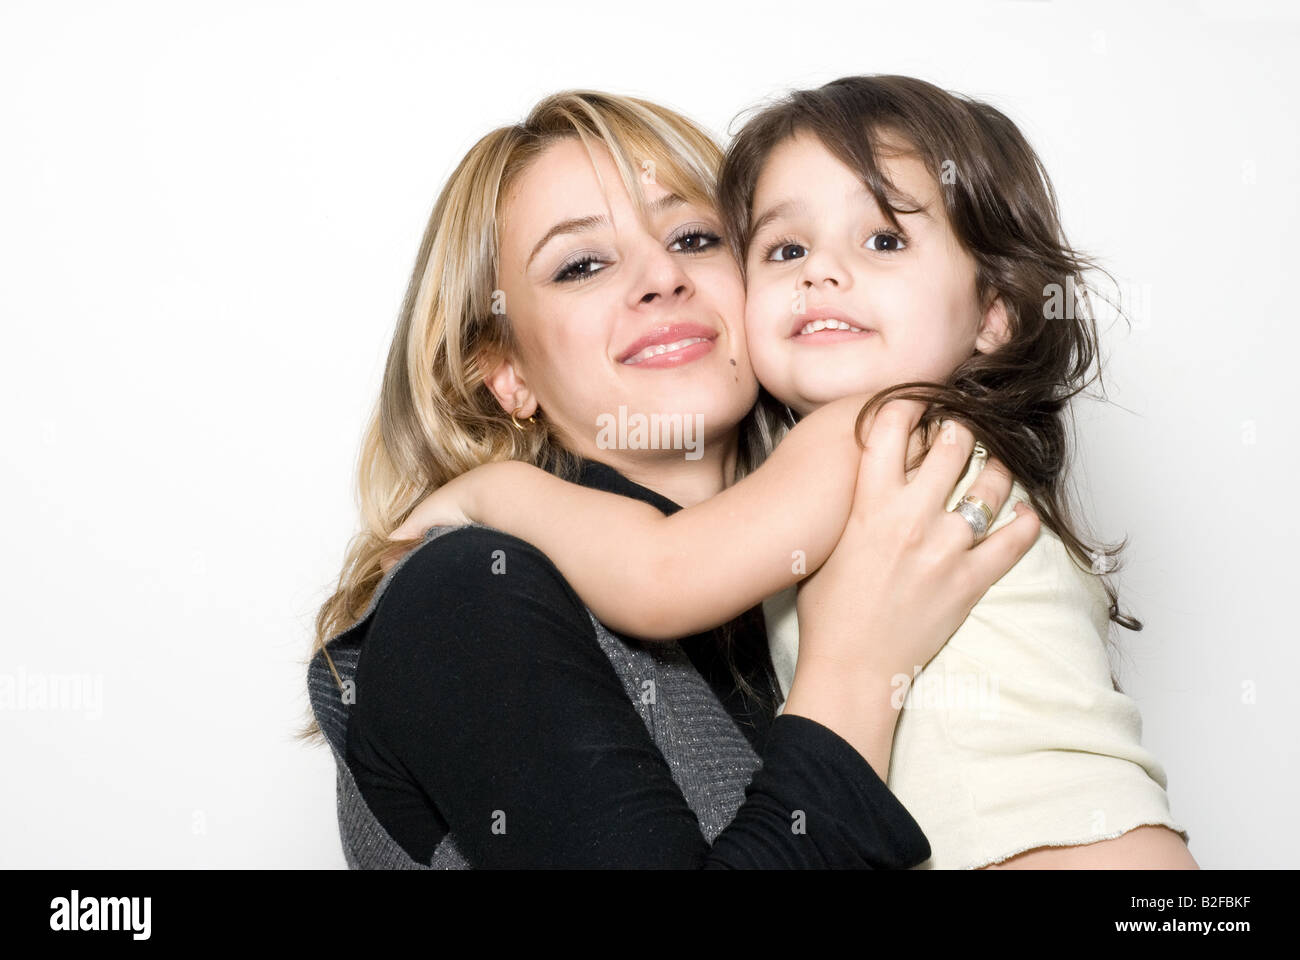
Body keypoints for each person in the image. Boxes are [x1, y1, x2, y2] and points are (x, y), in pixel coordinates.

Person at [386, 77, 1196, 868]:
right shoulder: (473, 592)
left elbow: (661, 570)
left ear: (992, 314)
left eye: (696, 239)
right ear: (505, 373)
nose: (662, 277)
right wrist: (857, 668)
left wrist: (500, 490)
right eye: (581, 264)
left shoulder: (878, 441)